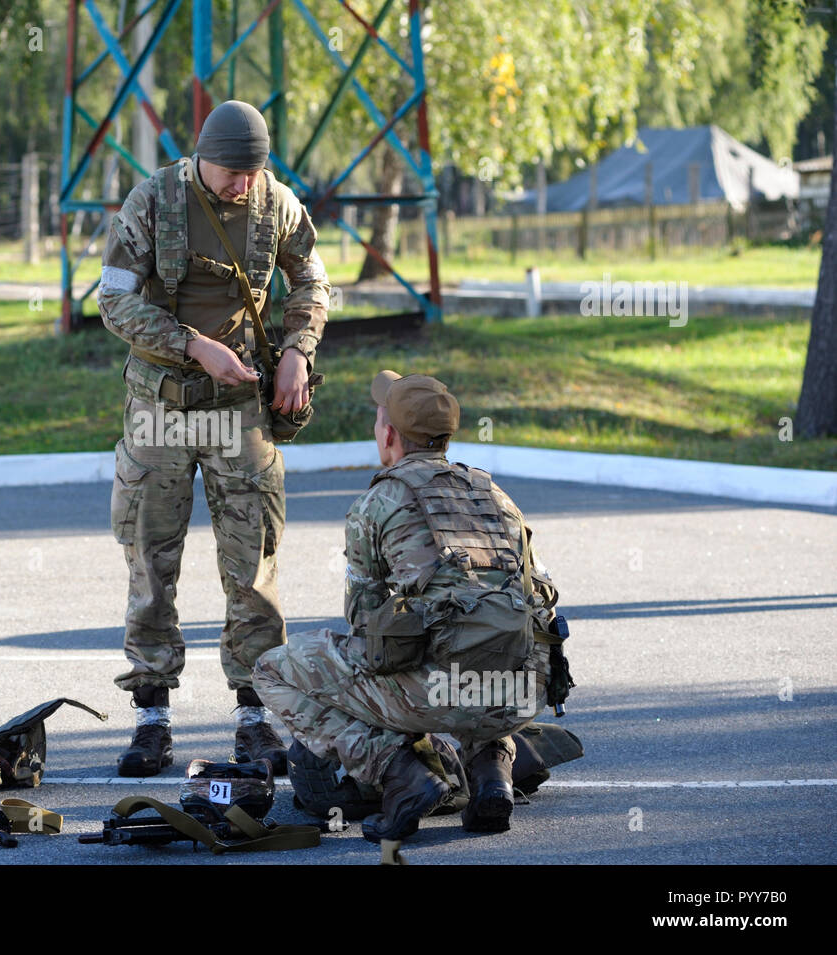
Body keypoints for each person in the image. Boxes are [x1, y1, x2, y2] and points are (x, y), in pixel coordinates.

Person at [98, 100, 330, 777]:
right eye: (232, 173)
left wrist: (297, 351)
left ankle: (255, 718)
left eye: (252, 174)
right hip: (162, 408)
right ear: (204, 156)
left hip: (240, 408)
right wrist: (193, 346)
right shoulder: (152, 202)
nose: (242, 186)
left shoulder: (276, 203)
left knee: (252, 567)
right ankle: (151, 715)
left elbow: (313, 281)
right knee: (149, 559)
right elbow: (114, 300)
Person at [253, 372, 568, 840]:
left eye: (380, 419)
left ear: (390, 434)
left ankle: (400, 773)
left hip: (442, 694)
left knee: (273, 670)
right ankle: (491, 777)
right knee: (480, 647)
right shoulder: (493, 494)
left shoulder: (379, 501)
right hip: (525, 691)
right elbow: (540, 592)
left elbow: (365, 621)